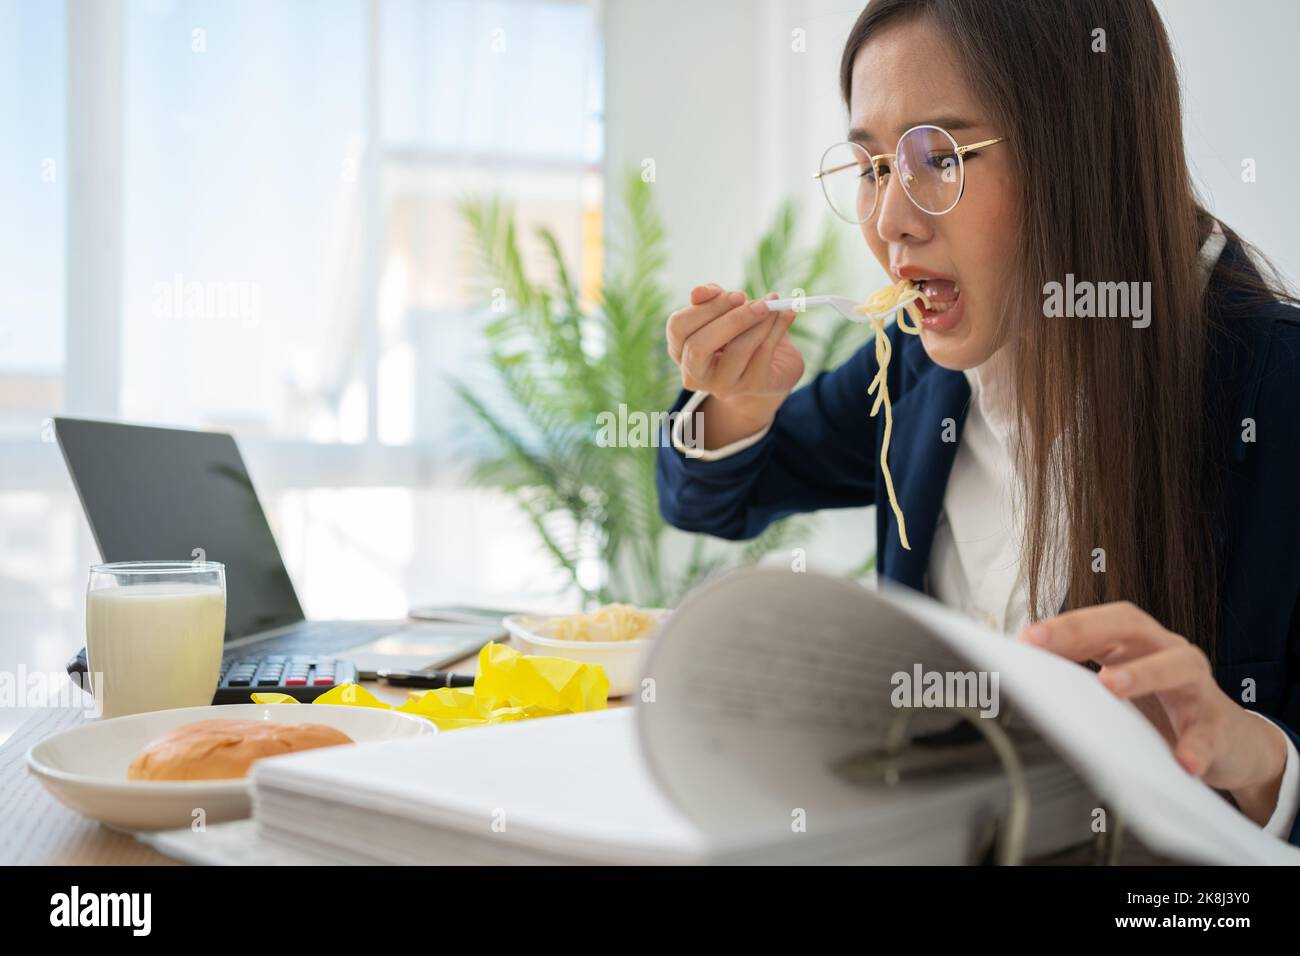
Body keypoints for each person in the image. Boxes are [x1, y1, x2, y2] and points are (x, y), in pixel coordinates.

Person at [655, 0, 1300, 846]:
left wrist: (1264, 769)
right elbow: (710, 502)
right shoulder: (916, 367)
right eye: (873, 166)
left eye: (940, 157)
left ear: (1084, 152)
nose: (891, 223)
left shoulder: (1275, 390)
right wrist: (736, 401)